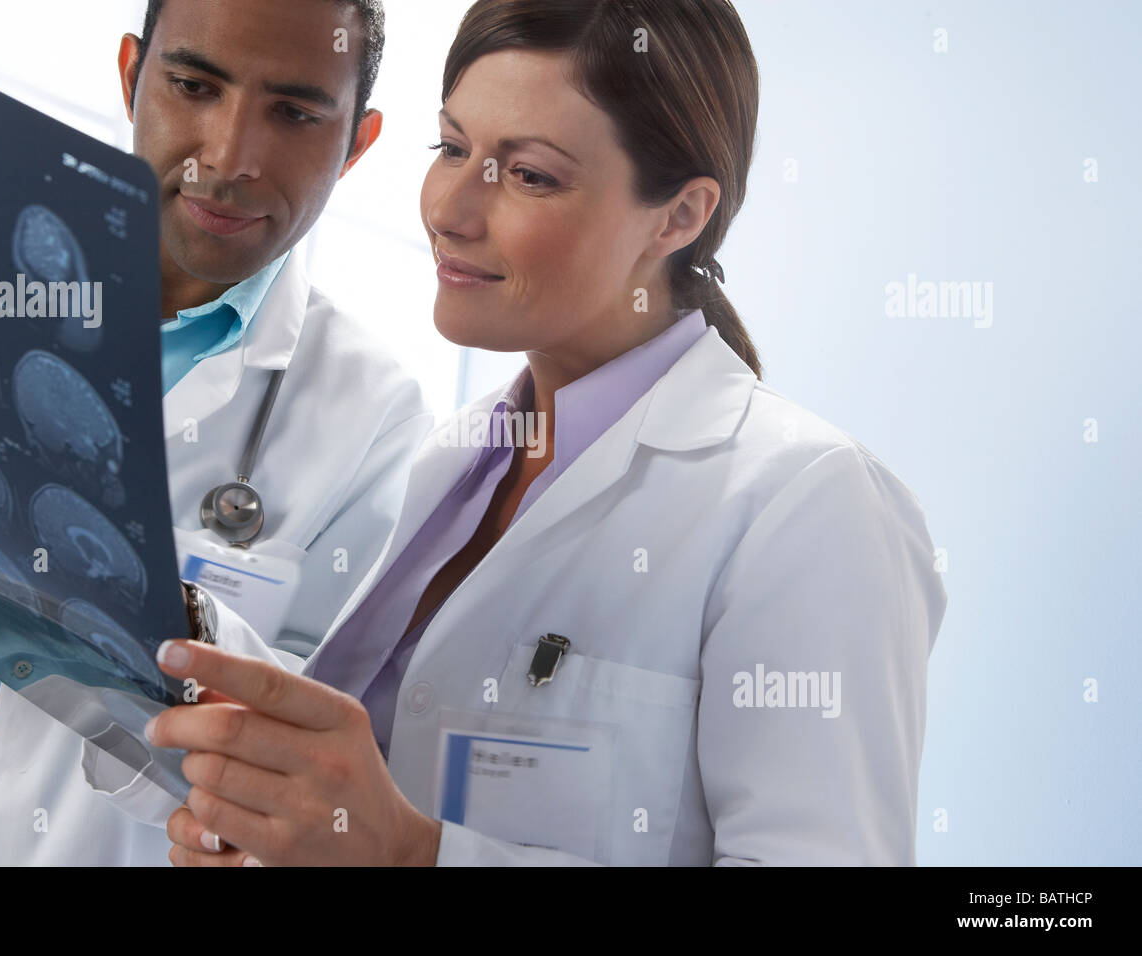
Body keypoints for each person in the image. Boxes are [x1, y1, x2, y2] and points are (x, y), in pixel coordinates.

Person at [152, 0, 949, 867]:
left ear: (677, 217)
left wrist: (415, 856)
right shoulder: (449, 462)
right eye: (452, 148)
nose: (451, 209)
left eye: (528, 175)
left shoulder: (808, 505)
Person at [0, 0, 432, 866]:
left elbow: (297, 779)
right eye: (194, 86)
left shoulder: (374, 418)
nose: (230, 158)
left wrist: (152, 610)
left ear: (358, 143)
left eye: (296, 114)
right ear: (130, 76)